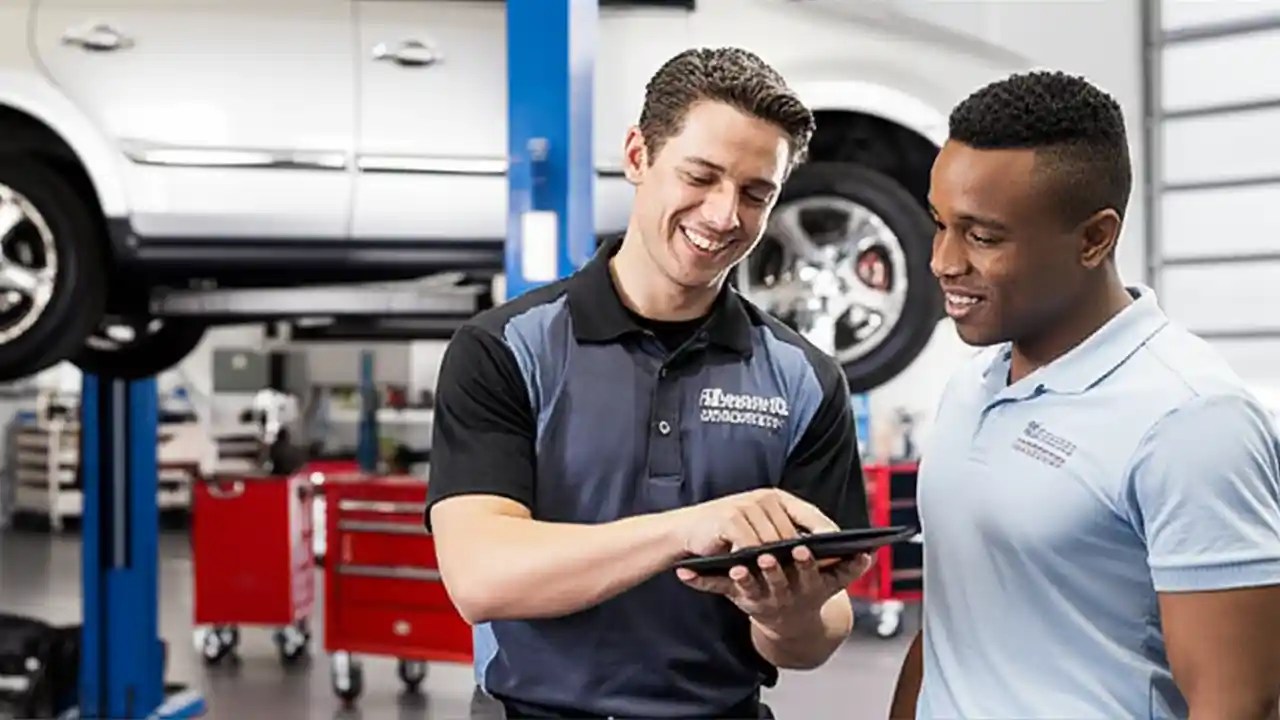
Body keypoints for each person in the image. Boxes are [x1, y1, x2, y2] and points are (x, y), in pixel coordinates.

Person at [425, 47, 873, 719]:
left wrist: (784, 614)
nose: (724, 216)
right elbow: (481, 576)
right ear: (638, 155)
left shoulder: (804, 380)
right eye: (701, 176)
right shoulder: (505, 349)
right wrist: (689, 529)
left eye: (757, 194)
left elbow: (814, 638)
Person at [890, 70, 1280, 719]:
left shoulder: (1192, 419)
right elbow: (951, 632)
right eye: (940, 224)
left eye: (983, 236)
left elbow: (1238, 702)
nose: (942, 261)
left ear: (1095, 238)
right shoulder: (970, 387)